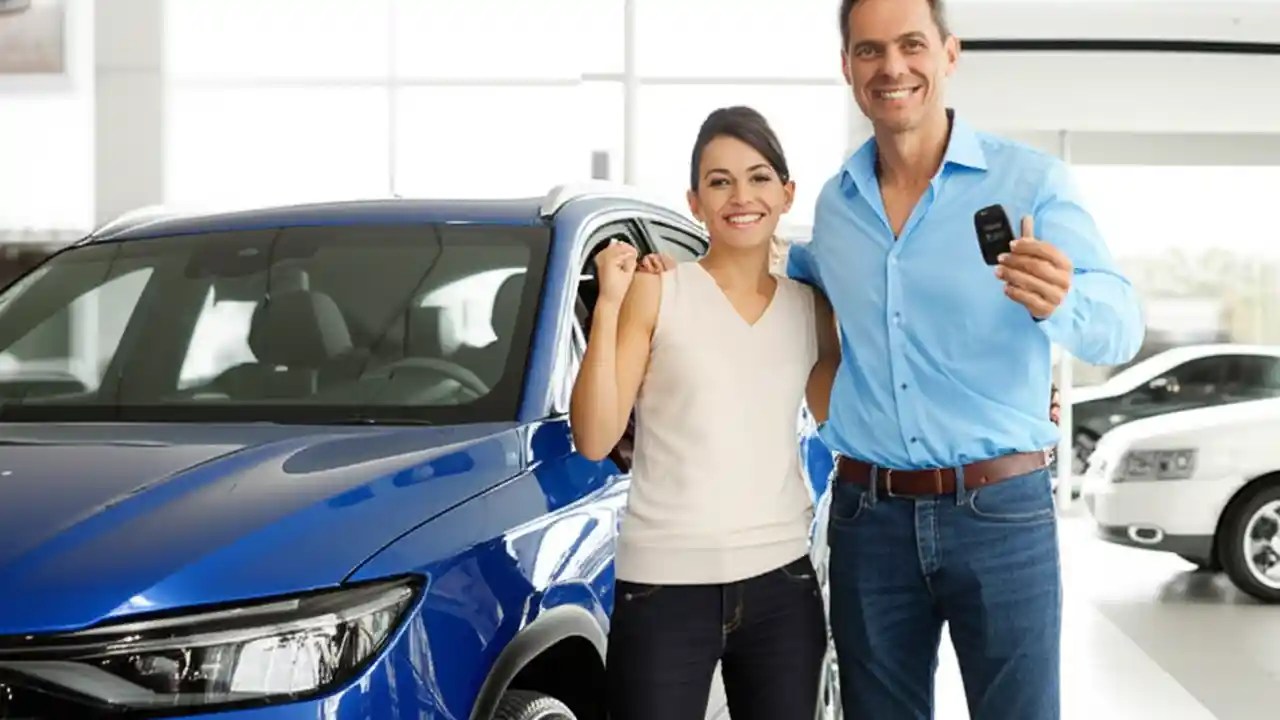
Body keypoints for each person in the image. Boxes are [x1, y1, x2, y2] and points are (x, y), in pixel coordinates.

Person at [794, 0, 1143, 717]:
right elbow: (794, 295)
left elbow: (1120, 329)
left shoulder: (1029, 185)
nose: (892, 67)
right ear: (847, 68)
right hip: (868, 520)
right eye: (869, 50)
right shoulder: (836, 206)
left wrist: (1061, 300)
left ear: (949, 55)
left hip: (1000, 515)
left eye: (912, 44)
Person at [569, 106, 841, 720]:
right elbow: (593, 437)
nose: (740, 196)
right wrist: (609, 305)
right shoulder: (657, 289)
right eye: (719, 181)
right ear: (695, 201)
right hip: (664, 587)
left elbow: (846, 421)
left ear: (787, 192)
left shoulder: (812, 308)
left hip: (783, 585)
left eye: (759, 176)